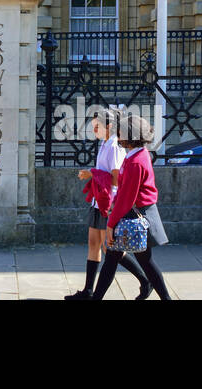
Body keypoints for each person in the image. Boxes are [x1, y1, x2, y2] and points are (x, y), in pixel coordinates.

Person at [64, 107, 150, 299]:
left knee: (110, 248)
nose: (94, 131)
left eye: (97, 127)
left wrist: (91, 173)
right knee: (94, 244)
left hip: (109, 201)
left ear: (109, 126)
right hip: (99, 199)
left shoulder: (113, 145)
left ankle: (145, 280)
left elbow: (117, 179)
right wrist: (93, 175)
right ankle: (88, 290)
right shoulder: (104, 143)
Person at [91, 112, 172, 300]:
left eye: (120, 134)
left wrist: (110, 224)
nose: (118, 138)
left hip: (134, 216)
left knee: (122, 260)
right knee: (134, 261)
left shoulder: (135, 162)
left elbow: (126, 198)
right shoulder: (139, 155)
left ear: (130, 137)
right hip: (138, 215)